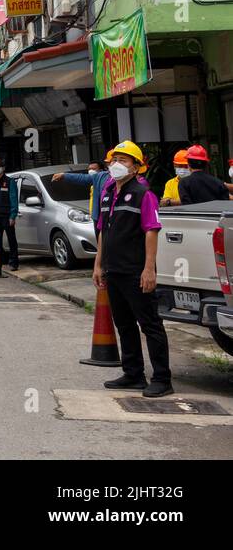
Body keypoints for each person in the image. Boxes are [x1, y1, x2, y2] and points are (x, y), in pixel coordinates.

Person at [93, 141, 171, 398]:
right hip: (113, 271)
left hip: (136, 271)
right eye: (115, 159)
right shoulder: (107, 193)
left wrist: (149, 269)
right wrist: (98, 264)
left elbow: (151, 230)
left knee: (149, 325)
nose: (117, 164)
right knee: (124, 324)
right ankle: (133, 374)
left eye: (124, 160)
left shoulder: (142, 194)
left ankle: (161, 378)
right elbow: (104, 230)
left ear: (137, 167)